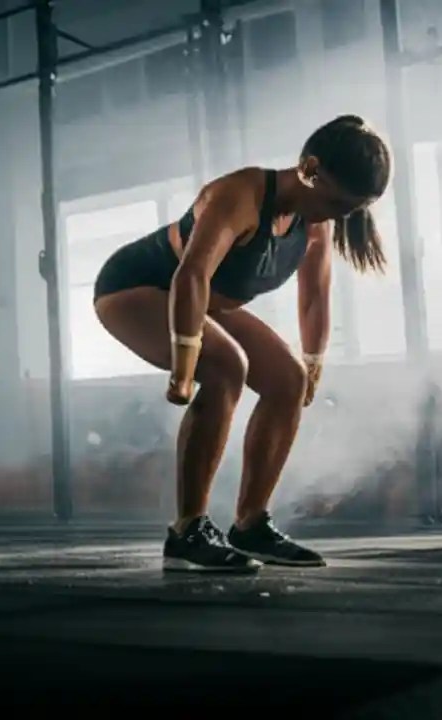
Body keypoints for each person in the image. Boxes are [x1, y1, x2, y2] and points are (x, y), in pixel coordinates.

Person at [92, 115, 391, 573]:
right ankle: (187, 531)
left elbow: (314, 297)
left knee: (287, 379)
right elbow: (191, 275)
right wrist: (185, 366)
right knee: (226, 366)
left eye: (349, 210)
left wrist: (313, 363)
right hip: (136, 287)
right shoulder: (240, 195)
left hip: (204, 299)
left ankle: (250, 525)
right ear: (310, 169)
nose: (337, 215)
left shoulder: (315, 222)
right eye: (336, 202)